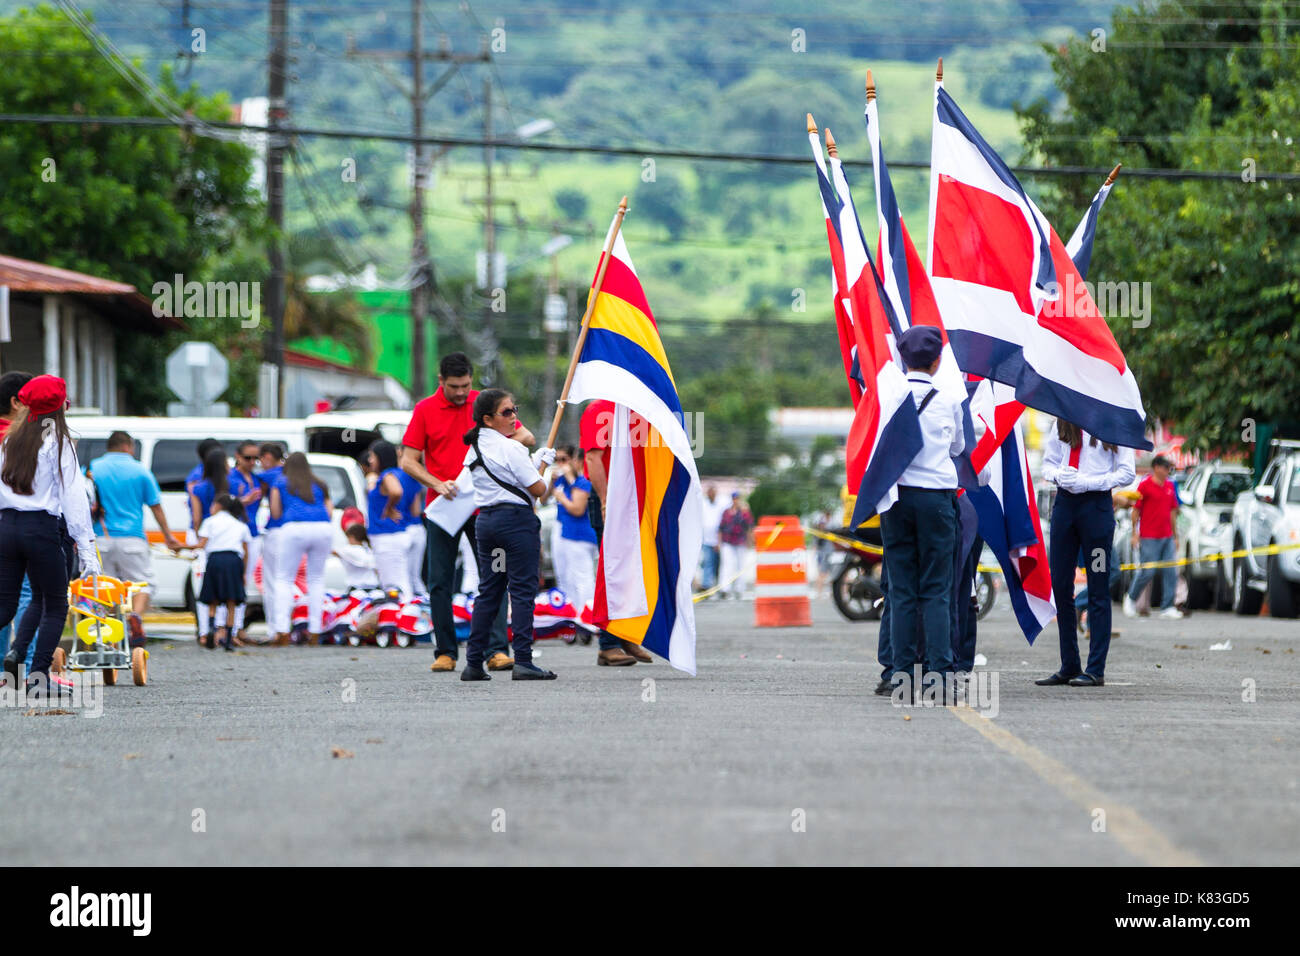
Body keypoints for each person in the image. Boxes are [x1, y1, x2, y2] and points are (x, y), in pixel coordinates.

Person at [400, 352, 532, 674]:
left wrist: (497, 451)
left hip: (485, 508)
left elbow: (525, 435)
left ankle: (497, 650)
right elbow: (408, 460)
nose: (461, 393)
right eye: (454, 386)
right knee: (439, 580)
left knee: (495, 578)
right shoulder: (425, 410)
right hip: (443, 509)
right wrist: (437, 483)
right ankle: (446, 651)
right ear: (440, 381)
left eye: (466, 385)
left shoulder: (485, 402)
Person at [880, 326, 964, 702]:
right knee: (936, 589)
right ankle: (939, 675)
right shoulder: (948, 400)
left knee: (901, 590)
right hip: (937, 501)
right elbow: (959, 445)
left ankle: (900, 674)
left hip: (896, 499)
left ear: (903, 358)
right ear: (937, 360)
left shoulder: (889, 399)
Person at [0, 375, 96, 699]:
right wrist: (88, 550)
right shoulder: (58, 441)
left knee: (6, 606)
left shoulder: (9, 439)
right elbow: (74, 497)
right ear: (60, 406)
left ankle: (15, 663)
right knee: (56, 604)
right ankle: (38, 678)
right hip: (41, 529)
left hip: (6, 527)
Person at [458, 389, 557, 682]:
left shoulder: (473, 450)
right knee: (523, 591)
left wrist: (534, 459)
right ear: (488, 419)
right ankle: (524, 660)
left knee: (489, 591)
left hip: (487, 524)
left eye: (515, 409)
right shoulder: (511, 449)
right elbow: (540, 491)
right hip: (516, 524)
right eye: (507, 412)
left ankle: (473, 663)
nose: (514, 418)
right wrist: (545, 466)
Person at [1036, 420, 1135, 688]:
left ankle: (1095, 669)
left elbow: (1127, 472)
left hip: (1097, 507)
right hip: (1065, 506)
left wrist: (1091, 481)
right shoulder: (1062, 421)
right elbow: (1047, 464)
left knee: (1098, 584)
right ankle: (1069, 663)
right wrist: (1059, 475)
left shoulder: (1112, 422)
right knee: (1060, 584)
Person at [86, 430, 183, 649]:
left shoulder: (91, 469)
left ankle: (109, 636)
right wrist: (168, 536)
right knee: (144, 583)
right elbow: (155, 505)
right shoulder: (140, 471)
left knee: (106, 587)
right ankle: (135, 617)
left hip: (100, 538)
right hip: (132, 538)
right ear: (128, 446)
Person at [580, 398, 646, 665]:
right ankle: (607, 644)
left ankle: (624, 635)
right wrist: (606, 500)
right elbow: (593, 457)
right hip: (608, 499)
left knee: (631, 571)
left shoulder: (637, 410)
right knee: (612, 569)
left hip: (631, 499)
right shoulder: (600, 409)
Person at [268, 452, 334, 645]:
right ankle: (315, 631)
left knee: (284, 579)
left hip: (294, 527)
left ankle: (282, 630)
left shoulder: (280, 482)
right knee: (316, 578)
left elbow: (276, 512)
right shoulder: (320, 483)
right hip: (323, 528)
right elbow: (329, 511)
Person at [1124, 454, 1182, 620]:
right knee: (1147, 572)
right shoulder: (1145, 485)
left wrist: (1175, 536)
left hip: (1167, 536)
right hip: (1149, 536)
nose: (1167, 471)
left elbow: (1173, 513)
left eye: (1169, 468)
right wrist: (1135, 533)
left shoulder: (1170, 487)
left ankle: (1168, 606)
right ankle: (1131, 599)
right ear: (1156, 467)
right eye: (1165, 467)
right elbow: (1136, 511)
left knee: (1171, 571)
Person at [0, 370, 33, 659]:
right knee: (26, 595)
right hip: (18, 525)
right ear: (16, 403)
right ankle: (27, 665)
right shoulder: (19, 441)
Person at [196, 494, 250, 652]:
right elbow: (246, 552)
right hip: (234, 560)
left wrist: (180, 547)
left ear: (219, 505)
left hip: (215, 559)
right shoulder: (240, 524)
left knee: (212, 597)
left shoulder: (210, 522)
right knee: (231, 601)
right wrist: (243, 572)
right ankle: (228, 638)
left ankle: (212, 628)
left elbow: (201, 544)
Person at [550, 445, 599, 612]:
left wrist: (562, 497)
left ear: (575, 461)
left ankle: (587, 614)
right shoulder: (562, 480)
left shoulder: (583, 482)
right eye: (556, 460)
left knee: (583, 578)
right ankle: (574, 613)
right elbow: (542, 498)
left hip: (580, 537)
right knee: (568, 577)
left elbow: (577, 509)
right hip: (568, 534)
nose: (560, 464)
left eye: (564, 460)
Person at [190, 445, 231, 644]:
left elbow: (196, 518)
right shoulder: (230, 486)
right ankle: (224, 630)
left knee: (203, 588)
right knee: (226, 587)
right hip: (227, 541)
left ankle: (204, 632)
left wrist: (200, 540)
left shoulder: (198, 487)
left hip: (206, 538)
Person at [227, 441, 265, 643]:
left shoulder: (257, 479)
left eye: (255, 458)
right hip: (235, 533)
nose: (252, 462)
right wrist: (244, 500)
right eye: (247, 458)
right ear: (238, 457)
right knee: (234, 579)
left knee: (245, 580)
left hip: (252, 532)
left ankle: (238, 626)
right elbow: (222, 504)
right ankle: (229, 628)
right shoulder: (230, 478)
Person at [366, 440, 412, 598]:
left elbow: (396, 491)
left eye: (372, 457)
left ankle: (401, 617)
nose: (370, 460)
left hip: (387, 535)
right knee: (400, 580)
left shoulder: (388, 475)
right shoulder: (400, 473)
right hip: (396, 534)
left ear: (381, 458)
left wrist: (389, 508)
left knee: (393, 584)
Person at [257, 442, 287, 643]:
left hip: (276, 530)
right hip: (293, 531)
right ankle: (287, 627)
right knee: (288, 581)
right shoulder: (294, 474)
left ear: (268, 457)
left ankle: (274, 630)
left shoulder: (269, 475)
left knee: (272, 583)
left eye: (259, 459)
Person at [717, 492, 755, 600]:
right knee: (727, 565)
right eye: (734, 498)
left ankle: (739, 589)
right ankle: (725, 589)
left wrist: (750, 542)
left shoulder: (744, 513)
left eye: (738, 498)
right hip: (727, 541)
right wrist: (719, 543)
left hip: (740, 542)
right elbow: (720, 528)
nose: (736, 500)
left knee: (740, 566)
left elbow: (749, 527)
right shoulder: (726, 512)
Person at [399, 466, 428, 600]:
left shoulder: (390, 477)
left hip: (401, 530)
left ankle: (406, 607)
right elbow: (416, 511)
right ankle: (424, 605)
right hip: (417, 529)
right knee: (415, 577)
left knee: (403, 576)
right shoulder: (415, 479)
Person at [699, 484, 727, 591]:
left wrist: (718, 542)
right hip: (706, 539)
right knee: (707, 562)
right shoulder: (703, 504)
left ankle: (719, 584)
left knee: (719, 564)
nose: (712, 494)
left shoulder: (721, 504)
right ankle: (706, 585)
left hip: (719, 540)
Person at [335, 524, 380, 590]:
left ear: (351, 537)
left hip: (356, 589)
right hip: (374, 588)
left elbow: (334, 551)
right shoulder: (370, 550)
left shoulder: (349, 550)